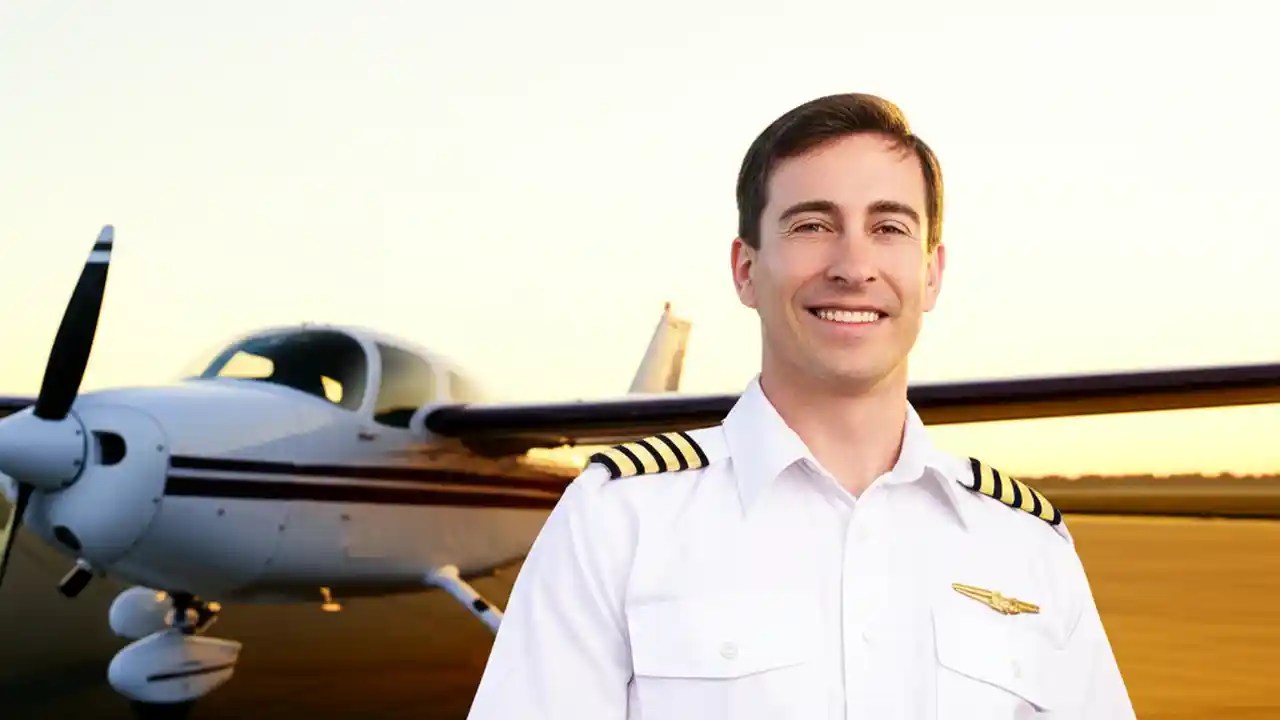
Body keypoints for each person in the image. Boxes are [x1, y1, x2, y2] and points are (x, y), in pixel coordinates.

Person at [466, 93, 1135, 719]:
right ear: (745, 270)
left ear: (931, 274)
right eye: (812, 225)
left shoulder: (1027, 544)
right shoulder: (616, 522)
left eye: (889, 227)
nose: (853, 266)